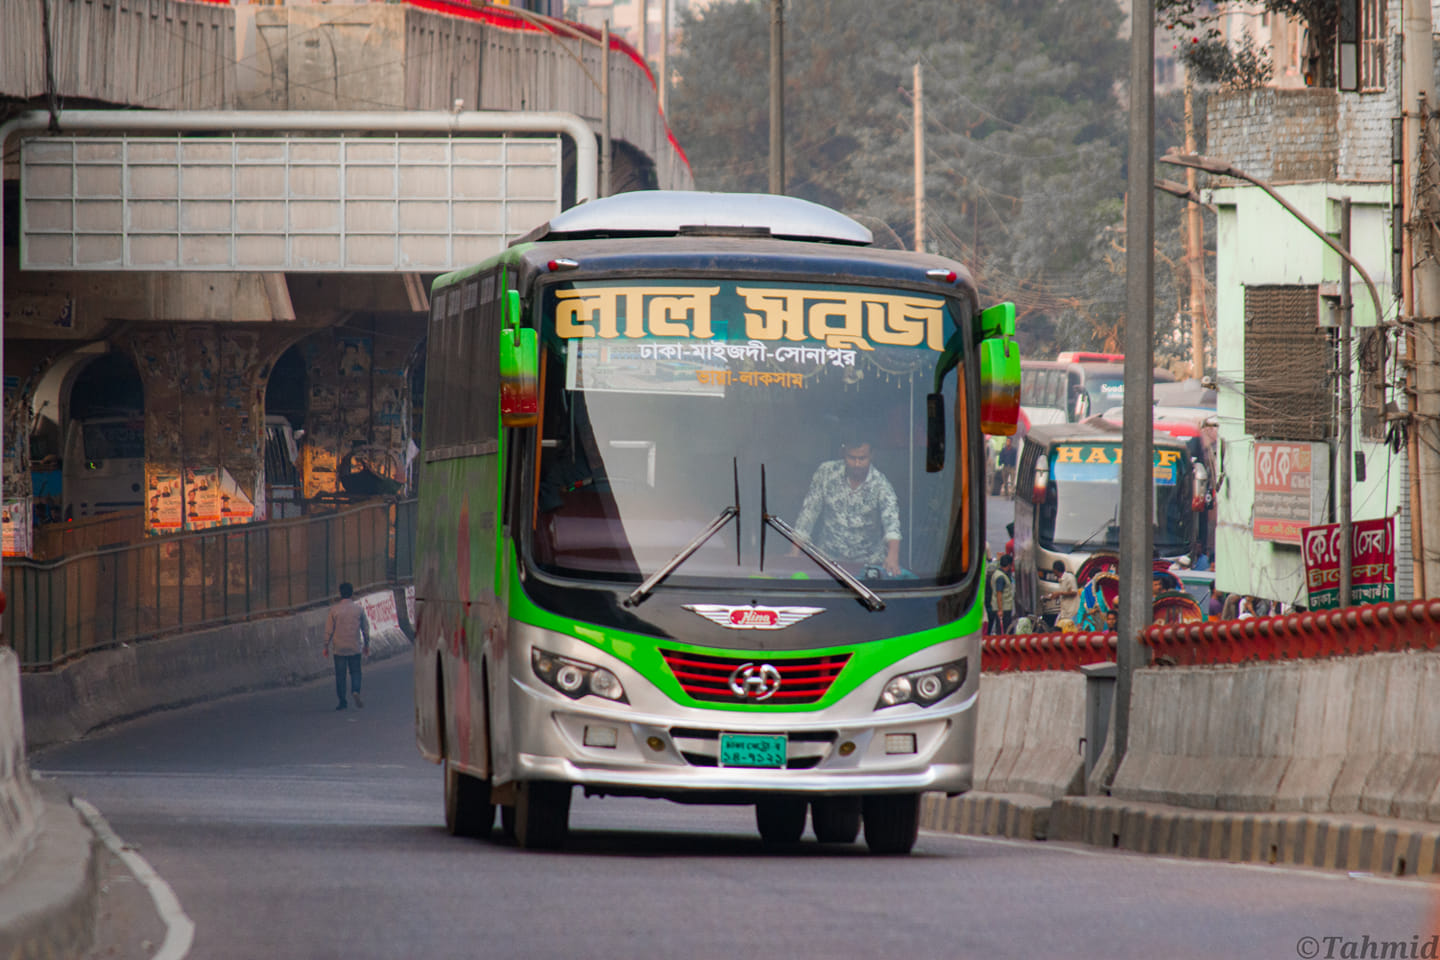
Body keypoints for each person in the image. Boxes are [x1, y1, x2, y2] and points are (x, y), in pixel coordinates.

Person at [792, 437, 902, 575]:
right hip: (827, 563)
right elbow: (808, 514)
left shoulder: (881, 485)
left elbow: (892, 524)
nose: (857, 464)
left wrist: (893, 556)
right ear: (843, 453)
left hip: (867, 567)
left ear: (872, 455)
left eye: (862, 458)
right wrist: (794, 553)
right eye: (852, 457)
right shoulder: (826, 472)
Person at [324, 581, 371, 710]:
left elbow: (329, 629)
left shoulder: (334, 610)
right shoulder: (359, 609)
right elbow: (365, 629)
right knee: (356, 672)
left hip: (339, 648)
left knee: (340, 675)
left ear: (340, 594)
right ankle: (355, 690)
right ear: (352, 594)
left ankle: (342, 701)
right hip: (354, 646)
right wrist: (367, 644)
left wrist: (325, 645)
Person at [1045, 560, 1079, 629]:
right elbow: (1065, 593)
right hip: (1064, 610)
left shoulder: (1069, 577)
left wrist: (1060, 593)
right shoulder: (1061, 580)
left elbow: (1074, 592)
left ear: (1056, 570)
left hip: (1071, 610)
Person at [991, 554, 1016, 634]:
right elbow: (999, 594)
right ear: (1009, 565)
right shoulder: (1001, 577)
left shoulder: (997, 573)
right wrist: (1000, 610)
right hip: (1004, 608)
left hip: (1003, 607)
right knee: (1004, 630)